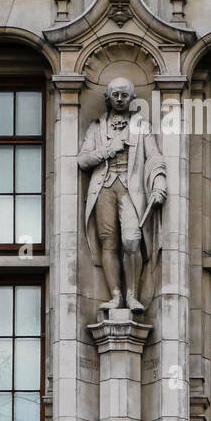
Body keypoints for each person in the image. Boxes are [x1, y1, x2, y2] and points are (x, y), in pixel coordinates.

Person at [79, 77, 167, 313]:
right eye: (115, 94)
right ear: (107, 98)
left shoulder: (141, 126)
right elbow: (83, 160)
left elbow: (155, 157)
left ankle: (132, 295)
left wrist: (159, 183)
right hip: (104, 188)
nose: (119, 98)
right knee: (108, 243)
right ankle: (116, 296)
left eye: (124, 95)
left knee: (131, 240)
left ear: (131, 99)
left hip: (131, 190)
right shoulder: (96, 127)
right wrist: (106, 151)